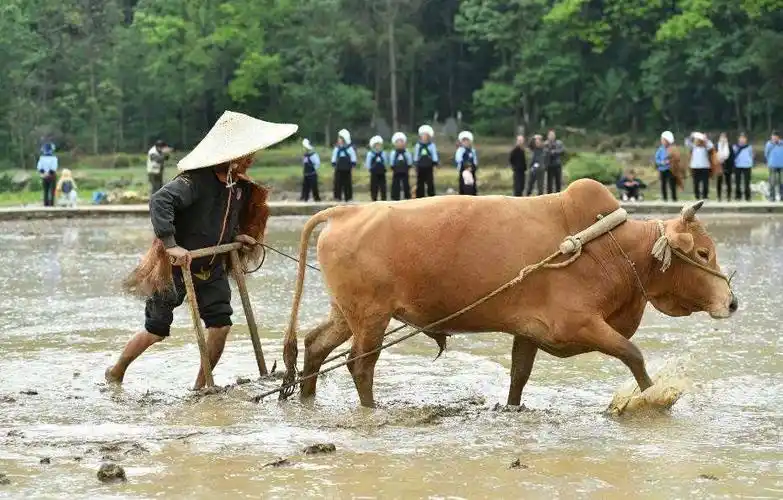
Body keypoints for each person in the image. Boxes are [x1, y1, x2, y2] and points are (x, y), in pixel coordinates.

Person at [107, 111, 297, 388]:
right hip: (176, 267)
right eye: (246, 155)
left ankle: (202, 384)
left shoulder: (237, 187)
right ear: (230, 156)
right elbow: (160, 202)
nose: (251, 160)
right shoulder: (194, 182)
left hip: (210, 265)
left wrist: (238, 235)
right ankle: (117, 370)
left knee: (221, 325)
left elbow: (220, 220)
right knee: (156, 331)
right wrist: (171, 245)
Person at [654, 131, 683, 202]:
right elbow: (656, 159)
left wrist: (671, 161)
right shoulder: (660, 149)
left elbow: (677, 158)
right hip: (662, 169)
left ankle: (674, 198)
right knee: (663, 184)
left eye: (663, 140)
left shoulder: (673, 149)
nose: (662, 141)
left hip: (670, 169)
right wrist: (661, 162)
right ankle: (664, 198)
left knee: (672, 184)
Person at [685, 131, 714, 200]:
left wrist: (705, 139)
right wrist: (691, 137)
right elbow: (687, 143)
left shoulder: (706, 147)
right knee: (696, 183)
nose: (697, 141)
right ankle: (697, 196)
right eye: (696, 140)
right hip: (695, 167)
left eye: (698, 140)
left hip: (705, 167)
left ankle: (705, 196)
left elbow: (711, 146)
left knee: (705, 182)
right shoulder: (693, 147)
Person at [414, 124, 439, 197]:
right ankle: (419, 197)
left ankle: (431, 196)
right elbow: (416, 155)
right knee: (420, 183)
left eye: (426, 135)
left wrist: (435, 164)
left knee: (430, 182)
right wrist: (415, 164)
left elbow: (434, 155)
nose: (424, 137)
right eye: (423, 135)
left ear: (429, 137)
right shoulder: (418, 145)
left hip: (429, 166)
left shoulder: (432, 145)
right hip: (420, 166)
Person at [331, 129, 356, 202]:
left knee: (347, 183)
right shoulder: (337, 148)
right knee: (337, 183)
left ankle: (348, 198)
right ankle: (337, 197)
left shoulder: (350, 148)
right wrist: (333, 163)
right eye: (339, 138)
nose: (339, 140)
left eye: (340, 138)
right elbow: (334, 156)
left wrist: (353, 164)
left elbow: (353, 156)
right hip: (338, 169)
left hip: (347, 169)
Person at [389, 132, 413, 200]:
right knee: (395, 185)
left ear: (404, 143)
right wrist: (392, 167)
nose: (400, 143)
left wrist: (409, 167)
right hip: (396, 171)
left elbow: (409, 161)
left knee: (406, 185)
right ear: (395, 143)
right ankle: (395, 198)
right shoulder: (393, 153)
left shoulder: (406, 152)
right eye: (398, 142)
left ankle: (407, 197)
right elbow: (391, 161)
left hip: (405, 171)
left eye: (401, 141)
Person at [455, 131, 478, 195]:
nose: (466, 142)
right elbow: (458, 160)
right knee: (463, 187)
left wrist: (473, 167)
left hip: (471, 171)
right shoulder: (460, 150)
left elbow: (475, 161)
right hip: (463, 171)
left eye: (467, 140)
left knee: (472, 187)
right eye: (464, 141)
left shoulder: (472, 151)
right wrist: (466, 167)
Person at [37, 138, 58, 207]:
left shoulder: (41, 158)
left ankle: (45, 204)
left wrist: (44, 173)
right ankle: (51, 204)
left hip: (44, 176)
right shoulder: (54, 158)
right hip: (52, 176)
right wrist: (49, 173)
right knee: (52, 191)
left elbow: (39, 167)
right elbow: (54, 168)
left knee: (45, 191)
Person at [366, 135, 388, 201]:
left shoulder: (383, 153)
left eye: (379, 145)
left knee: (383, 187)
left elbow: (385, 162)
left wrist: (385, 167)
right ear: (373, 146)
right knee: (374, 187)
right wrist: (369, 168)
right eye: (376, 145)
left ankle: (384, 199)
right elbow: (368, 163)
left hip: (382, 173)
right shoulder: (370, 154)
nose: (378, 147)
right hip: (374, 173)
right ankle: (374, 199)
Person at [733, 133, 753, 201]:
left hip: (747, 166)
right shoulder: (735, 147)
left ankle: (748, 197)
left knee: (747, 182)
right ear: (739, 139)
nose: (742, 139)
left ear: (746, 139)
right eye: (741, 138)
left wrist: (750, 162)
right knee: (737, 182)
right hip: (738, 166)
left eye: (744, 138)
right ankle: (738, 196)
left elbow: (751, 155)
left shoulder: (749, 147)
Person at [544, 129, 565, 193]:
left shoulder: (559, 143)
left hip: (557, 165)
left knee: (558, 182)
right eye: (550, 135)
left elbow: (562, 151)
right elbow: (544, 151)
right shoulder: (546, 143)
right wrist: (549, 152)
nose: (552, 136)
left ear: (555, 135)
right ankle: (549, 196)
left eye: (553, 135)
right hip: (549, 165)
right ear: (548, 136)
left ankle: (558, 195)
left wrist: (555, 152)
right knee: (549, 182)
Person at [716, 132, 735, 201]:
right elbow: (714, 155)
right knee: (719, 181)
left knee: (728, 181)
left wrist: (732, 167)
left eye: (724, 137)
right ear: (719, 138)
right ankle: (719, 196)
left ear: (726, 138)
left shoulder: (729, 146)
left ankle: (728, 197)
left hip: (727, 165)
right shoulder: (717, 145)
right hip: (719, 165)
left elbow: (732, 156)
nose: (723, 139)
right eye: (722, 137)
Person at [764, 130, 783, 202]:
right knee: (772, 181)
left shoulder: (782, 143)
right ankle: (772, 197)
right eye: (773, 136)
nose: (774, 138)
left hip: (781, 165)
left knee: (781, 181)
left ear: (778, 137)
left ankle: (782, 196)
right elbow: (766, 154)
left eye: (776, 136)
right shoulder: (769, 144)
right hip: (772, 165)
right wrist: (769, 161)